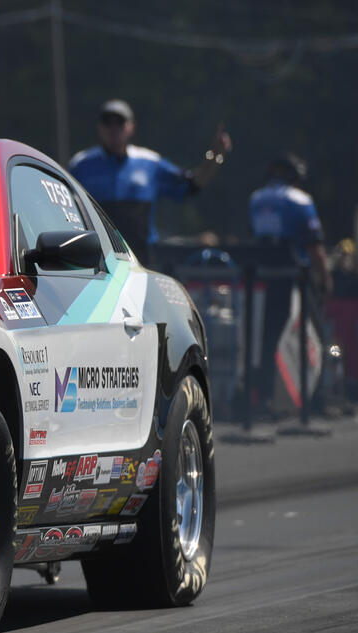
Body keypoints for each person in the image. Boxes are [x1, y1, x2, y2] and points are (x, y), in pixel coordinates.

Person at [68, 98, 232, 265]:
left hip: (142, 259)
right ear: (99, 127)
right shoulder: (80, 164)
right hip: (96, 259)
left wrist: (215, 157)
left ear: (131, 126)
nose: (113, 128)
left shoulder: (150, 162)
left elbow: (193, 184)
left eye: (119, 122)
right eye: (107, 122)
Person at [248, 153, 330, 410]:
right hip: (296, 275)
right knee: (317, 334)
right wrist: (325, 279)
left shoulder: (256, 198)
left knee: (268, 339)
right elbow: (315, 247)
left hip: (267, 276)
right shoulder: (300, 200)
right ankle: (316, 398)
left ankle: (264, 398)